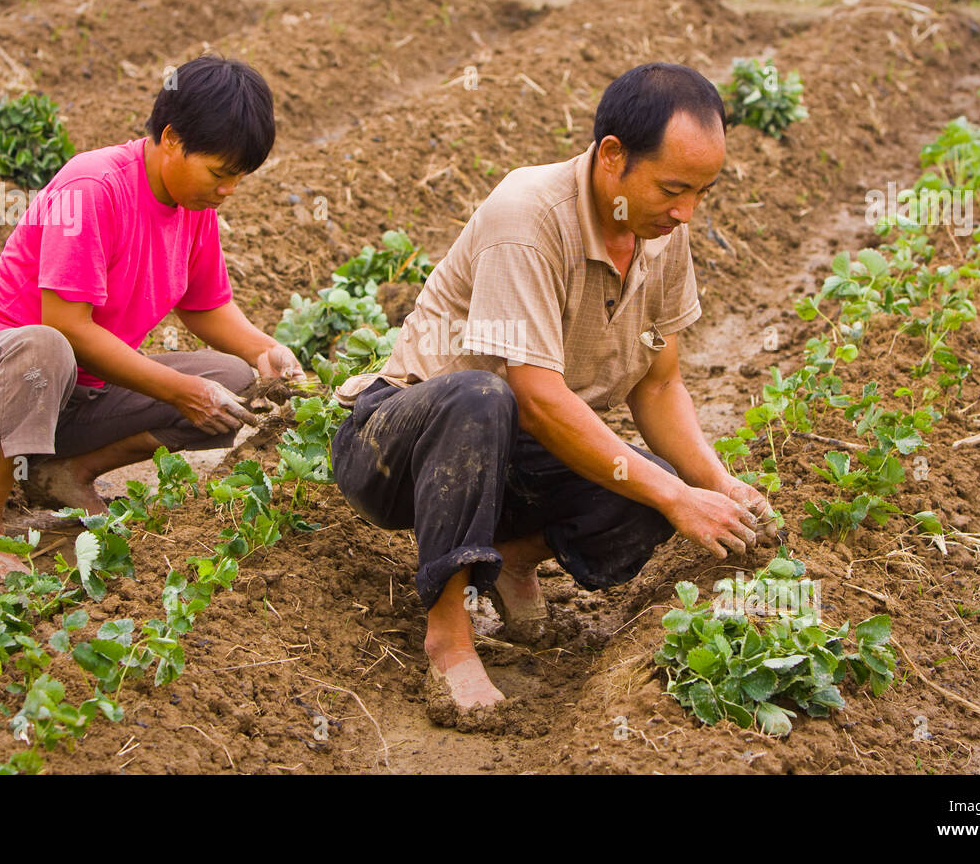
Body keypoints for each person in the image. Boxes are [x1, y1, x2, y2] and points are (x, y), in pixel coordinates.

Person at [331, 62, 779, 720]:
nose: (687, 212)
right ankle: (450, 638)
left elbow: (659, 384)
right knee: (483, 397)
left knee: (650, 493)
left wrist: (714, 484)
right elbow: (536, 397)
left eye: (703, 192)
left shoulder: (661, 234)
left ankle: (508, 562)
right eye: (674, 188)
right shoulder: (528, 218)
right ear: (612, 157)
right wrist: (682, 496)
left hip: (514, 452)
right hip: (396, 445)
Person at [0, 54, 304, 583]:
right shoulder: (94, 188)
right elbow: (67, 327)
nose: (227, 189)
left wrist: (264, 352)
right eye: (219, 172)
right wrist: (178, 390)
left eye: (238, 177)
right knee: (45, 348)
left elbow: (205, 305)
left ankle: (67, 474)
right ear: (171, 138)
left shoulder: (194, 209)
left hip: (70, 393)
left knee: (231, 380)